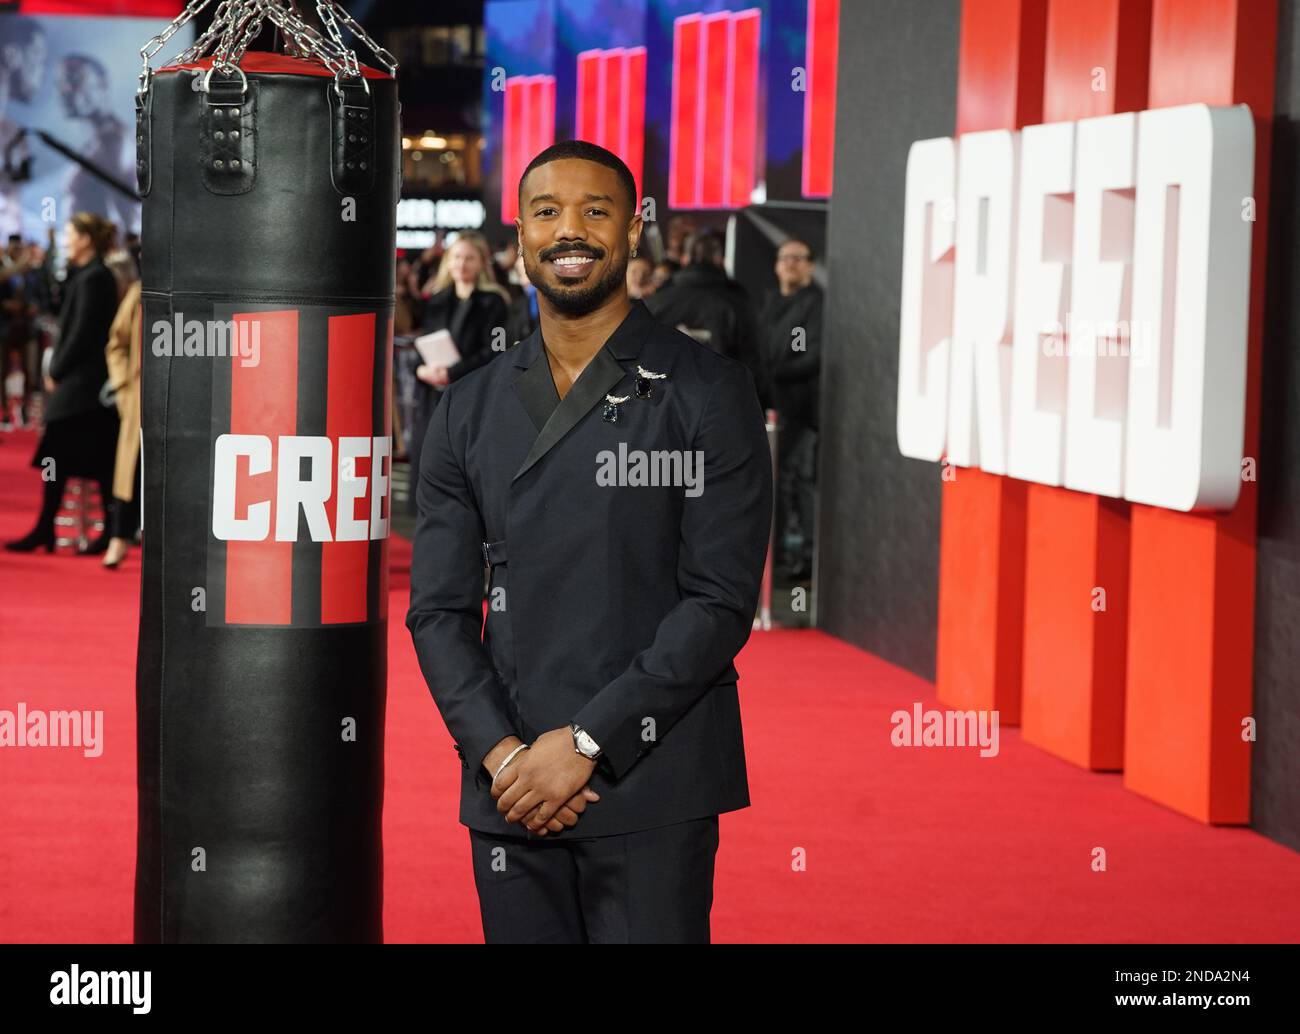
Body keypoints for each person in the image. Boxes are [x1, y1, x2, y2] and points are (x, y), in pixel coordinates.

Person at [406, 139, 772, 943]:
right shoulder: (465, 409)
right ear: (520, 240)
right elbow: (435, 611)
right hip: (511, 789)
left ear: (634, 233)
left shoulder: (709, 391)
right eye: (546, 212)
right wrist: (503, 755)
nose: (569, 230)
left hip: (651, 781)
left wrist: (585, 743)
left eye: (595, 211)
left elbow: (718, 601)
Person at [6, 213, 119, 554]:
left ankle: (92, 530)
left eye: (71, 235)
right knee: (70, 460)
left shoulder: (95, 277)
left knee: (85, 460)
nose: (67, 240)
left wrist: (57, 370)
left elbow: (81, 332)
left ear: (86, 239)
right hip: (80, 386)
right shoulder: (85, 274)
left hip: (81, 387)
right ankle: (53, 527)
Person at [407, 231, 509, 515]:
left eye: (469, 258)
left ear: (481, 263)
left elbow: (494, 352)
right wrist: (422, 369)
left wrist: (451, 373)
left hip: (470, 395)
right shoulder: (437, 299)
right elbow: (421, 342)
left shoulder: (494, 302)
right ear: (448, 262)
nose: (461, 264)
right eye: (456, 257)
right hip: (431, 393)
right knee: (428, 459)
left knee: (463, 468)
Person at [758, 238, 823, 580]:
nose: (791, 263)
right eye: (785, 257)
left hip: (801, 412)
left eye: (799, 258)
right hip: (768, 411)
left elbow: (813, 356)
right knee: (774, 484)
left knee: (797, 483)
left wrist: (772, 374)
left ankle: (803, 557)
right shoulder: (769, 304)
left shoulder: (817, 304)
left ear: (811, 265)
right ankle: (776, 557)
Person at [643, 229, 762, 382]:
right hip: (723, 399)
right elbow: (753, 363)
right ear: (719, 259)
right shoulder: (739, 302)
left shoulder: (654, 302)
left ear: (685, 259)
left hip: (664, 400)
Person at [101, 262, 143, 568]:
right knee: (131, 469)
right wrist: (123, 387)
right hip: (140, 397)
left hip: (186, 403)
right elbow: (117, 343)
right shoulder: (139, 294)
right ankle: (119, 537)